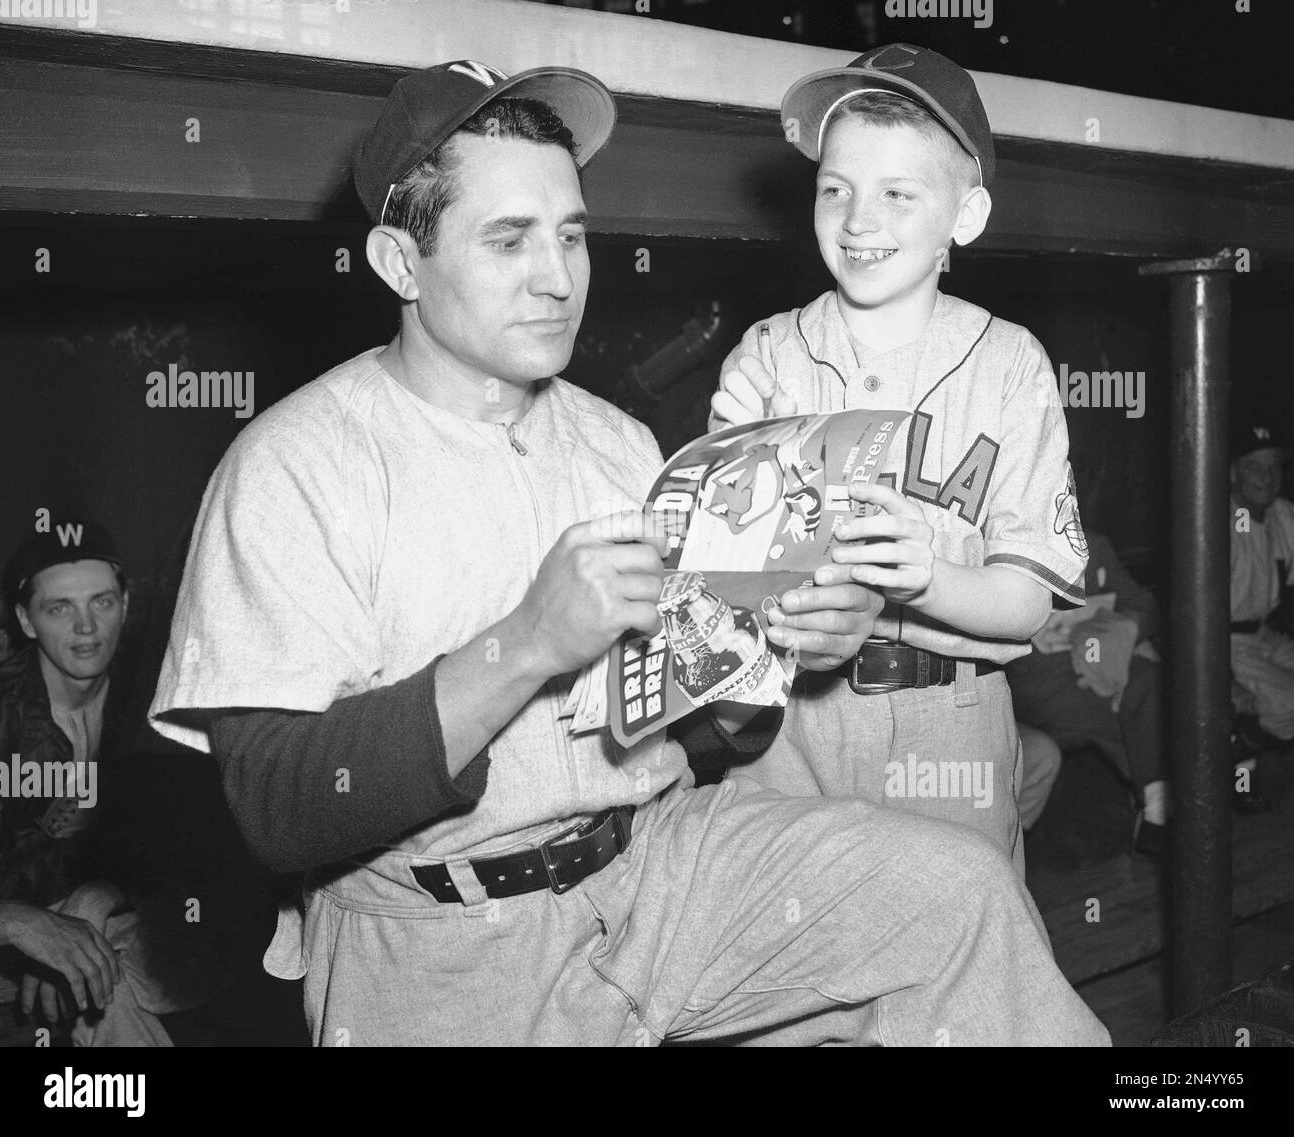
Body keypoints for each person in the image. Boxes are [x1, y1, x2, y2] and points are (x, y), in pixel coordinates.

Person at [150, 60, 1108, 1046]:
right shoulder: (293, 467)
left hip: (661, 870)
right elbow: (278, 807)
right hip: (442, 944)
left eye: (570, 234)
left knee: (958, 895)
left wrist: (799, 644)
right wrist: (522, 645)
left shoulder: (618, 443)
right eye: (508, 239)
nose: (557, 277)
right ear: (399, 262)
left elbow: (702, 717)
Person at [708, 44, 1086, 874]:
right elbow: (716, 582)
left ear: (967, 215)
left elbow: (1027, 601)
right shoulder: (771, 354)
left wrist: (932, 579)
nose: (857, 220)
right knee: (794, 973)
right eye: (835, 189)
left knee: (962, 963)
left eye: (897, 194)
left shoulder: (1011, 364)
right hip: (797, 723)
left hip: (952, 719)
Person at [0, 525, 174, 1045]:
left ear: (126, 602)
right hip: (8, 947)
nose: (87, 627)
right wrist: (23, 927)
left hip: (113, 924)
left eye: (101, 602)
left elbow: (185, 847)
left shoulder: (159, 701)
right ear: (26, 620)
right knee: (109, 995)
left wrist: (98, 898)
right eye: (59, 609)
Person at [1006, 527, 1169, 856]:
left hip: (1102, 665)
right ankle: (1159, 801)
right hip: (1035, 683)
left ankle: (1156, 812)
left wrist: (1121, 631)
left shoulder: (1092, 544)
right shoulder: (1008, 545)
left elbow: (1144, 604)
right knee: (1119, 708)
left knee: (1151, 679)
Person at [1229, 412, 1294, 779]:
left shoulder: (1283, 513)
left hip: (1264, 634)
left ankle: (1242, 755)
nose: (1267, 478)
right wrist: (1226, 681)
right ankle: (1231, 757)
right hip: (1224, 641)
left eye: (1274, 467)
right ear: (1233, 471)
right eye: (1255, 467)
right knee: (1287, 703)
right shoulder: (1213, 518)